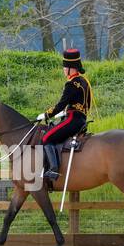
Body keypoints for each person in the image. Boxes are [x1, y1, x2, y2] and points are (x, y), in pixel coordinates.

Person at [34, 48, 93, 186]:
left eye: (64, 67)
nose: (63, 70)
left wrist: (46, 114)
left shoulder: (71, 84)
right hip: (80, 118)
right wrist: (66, 112)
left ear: (70, 68)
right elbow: (85, 104)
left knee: (46, 138)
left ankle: (53, 169)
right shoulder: (84, 81)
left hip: (73, 120)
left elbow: (61, 104)